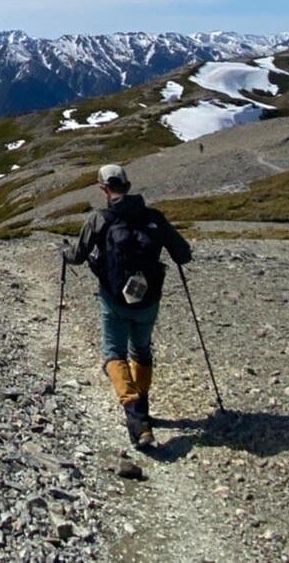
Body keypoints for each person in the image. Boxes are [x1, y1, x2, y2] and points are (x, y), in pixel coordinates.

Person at [63, 163, 192, 449]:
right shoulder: (154, 218)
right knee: (141, 351)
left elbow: (78, 255)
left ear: (103, 189)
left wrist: (64, 252)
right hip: (148, 301)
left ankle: (136, 419)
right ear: (129, 186)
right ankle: (142, 407)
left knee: (113, 355)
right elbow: (183, 254)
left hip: (113, 299)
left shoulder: (100, 219)